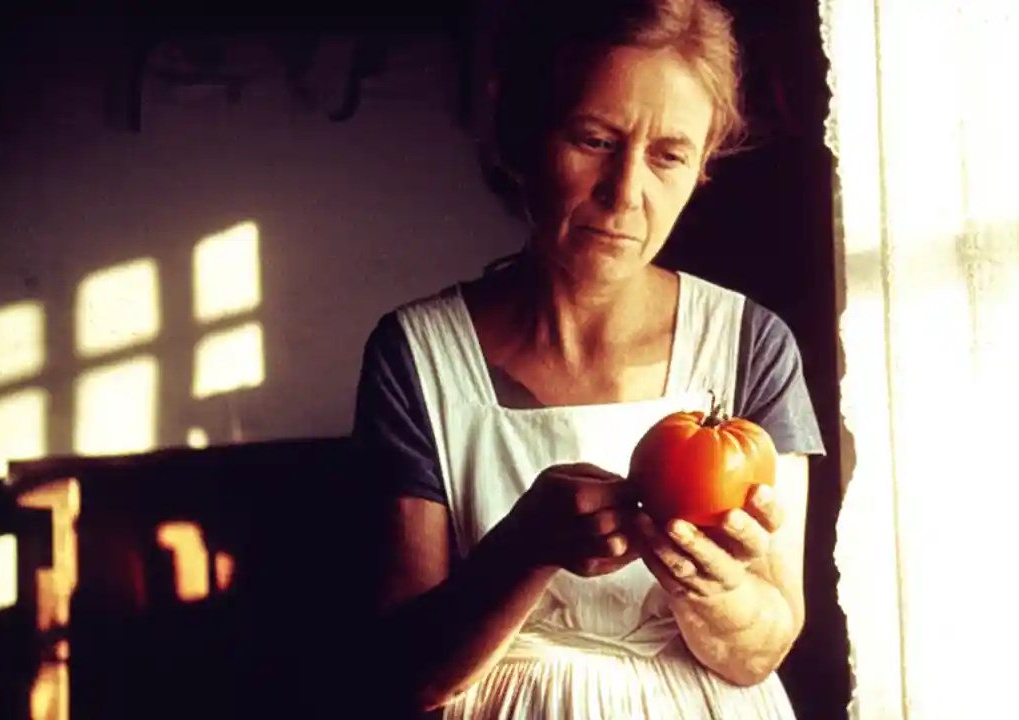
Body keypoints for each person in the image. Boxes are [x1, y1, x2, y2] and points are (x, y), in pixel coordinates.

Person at [352, 0, 826, 716]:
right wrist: (522, 550)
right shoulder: (417, 356)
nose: (625, 192)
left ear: (702, 167)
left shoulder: (749, 346)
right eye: (595, 139)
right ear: (522, 135)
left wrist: (717, 594)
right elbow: (405, 676)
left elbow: (762, 649)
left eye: (668, 155)